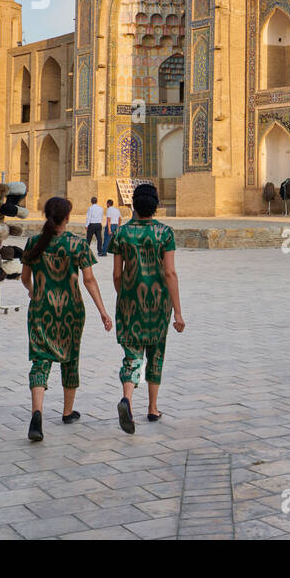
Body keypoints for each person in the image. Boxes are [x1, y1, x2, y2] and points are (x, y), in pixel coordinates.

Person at [19, 197, 112, 442]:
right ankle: (67, 411)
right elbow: (89, 280)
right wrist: (103, 311)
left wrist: (32, 290)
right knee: (70, 357)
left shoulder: (33, 242)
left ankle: (36, 412)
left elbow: (24, 277)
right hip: (71, 310)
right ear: (68, 217)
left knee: (41, 360)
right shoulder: (77, 245)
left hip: (40, 308)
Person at [108, 184, 183, 433]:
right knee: (156, 352)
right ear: (156, 206)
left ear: (134, 207)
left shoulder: (122, 234)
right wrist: (178, 311)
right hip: (159, 304)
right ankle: (152, 408)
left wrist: (124, 297)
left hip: (130, 301)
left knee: (132, 354)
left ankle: (127, 400)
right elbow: (170, 273)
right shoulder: (165, 233)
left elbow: (117, 274)